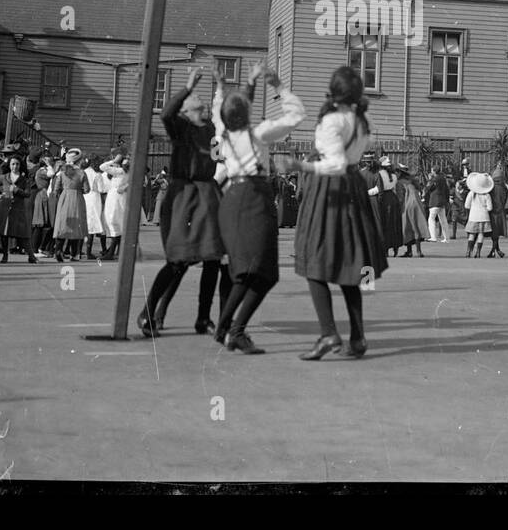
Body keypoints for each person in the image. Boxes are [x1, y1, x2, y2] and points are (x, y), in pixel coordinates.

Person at [276, 65, 387, 360]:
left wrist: (302, 166)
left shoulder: (332, 121)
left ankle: (328, 334)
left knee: (314, 261)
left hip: (331, 193)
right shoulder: (362, 120)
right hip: (354, 189)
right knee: (350, 268)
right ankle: (358, 337)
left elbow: (335, 164)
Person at [211, 63, 305, 352]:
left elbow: (223, 108)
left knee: (246, 270)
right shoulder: (259, 134)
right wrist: (277, 86)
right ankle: (233, 329)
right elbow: (296, 115)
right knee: (265, 273)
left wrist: (222, 89)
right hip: (254, 197)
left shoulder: (222, 130)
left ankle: (226, 327)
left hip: (232, 198)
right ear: (247, 114)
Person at [138, 67, 229, 338]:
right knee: (178, 259)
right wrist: (187, 88)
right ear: (186, 112)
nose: (202, 109)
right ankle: (149, 311)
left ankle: (203, 317)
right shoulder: (179, 128)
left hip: (207, 195)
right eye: (196, 106)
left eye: (203, 106)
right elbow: (166, 113)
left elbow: (219, 115)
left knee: (213, 259)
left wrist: (221, 88)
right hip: (183, 197)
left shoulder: (211, 128)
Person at [0, 155, 35, 263]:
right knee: (4, 233)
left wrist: (17, 190)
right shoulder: (4, 177)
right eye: (13, 164)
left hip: (18, 209)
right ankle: (4, 255)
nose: (15, 166)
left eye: (17, 164)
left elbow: (28, 194)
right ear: (9, 165)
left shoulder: (24, 180)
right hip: (4, 207)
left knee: (22, 233)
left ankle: (31, 256)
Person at [49, 148, 89, 263]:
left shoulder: (62, 172)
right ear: (78, 160)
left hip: (64, 198)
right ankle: (74, 254)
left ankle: (58, 250)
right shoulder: (81, 172)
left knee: (62, 225)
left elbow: (55, 189)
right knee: (76, 225)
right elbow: (87, 190)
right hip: (77, 198)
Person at [396, 165, 429, 258]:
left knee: (407, 227)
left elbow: (400, 197)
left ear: (400, 173)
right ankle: (419, 251)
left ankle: (409, 251)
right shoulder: (412, 181)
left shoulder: (400, 182)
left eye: (397, 172)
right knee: (416, 226)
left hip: (408, 205)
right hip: (417, 204)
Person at [82, 154, 108, 260]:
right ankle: (88, 252)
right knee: (92, 226)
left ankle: (80, 250)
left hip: (85, 197)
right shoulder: (97, 175)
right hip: (94, 198)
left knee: (86, 223)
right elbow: (101, 189)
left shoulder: (83, 172)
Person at [464, 171, 494, 258]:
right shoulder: (487, 195)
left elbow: (467, 205)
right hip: (484, 217)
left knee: (472, 234)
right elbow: (490, 208)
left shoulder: (471, 193)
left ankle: (468, 251)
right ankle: (478, 252)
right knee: (481, 234)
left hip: (473, 216)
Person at [486, 164, 508, 258]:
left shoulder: (491, 188)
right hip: (501, 211)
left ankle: (494, 250)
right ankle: (497, 250)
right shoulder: (504, 188)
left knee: (494, 232)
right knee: (496, 232)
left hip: (493, 211)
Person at [424, 166, 450, 243]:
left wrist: (429, 179)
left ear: (434, 171)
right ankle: (446, 238)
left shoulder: (434, 179)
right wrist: (447, 200)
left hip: (434, 201)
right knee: (443, 220)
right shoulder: (443, 179)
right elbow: (447, 190)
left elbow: (428, 188)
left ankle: (433, 237)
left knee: (431, 219)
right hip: (442, 201)